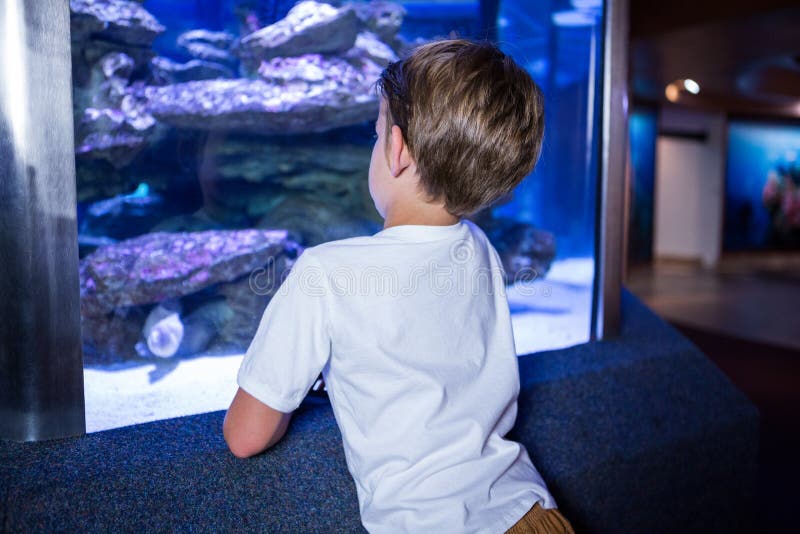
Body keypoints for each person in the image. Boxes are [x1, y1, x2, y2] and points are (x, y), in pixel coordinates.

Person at [223, 39, 575, 534]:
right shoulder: (478, 249)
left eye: (375, 133)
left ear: (396, 150)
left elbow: (244, 436)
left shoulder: (326, 272)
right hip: (534, 514)